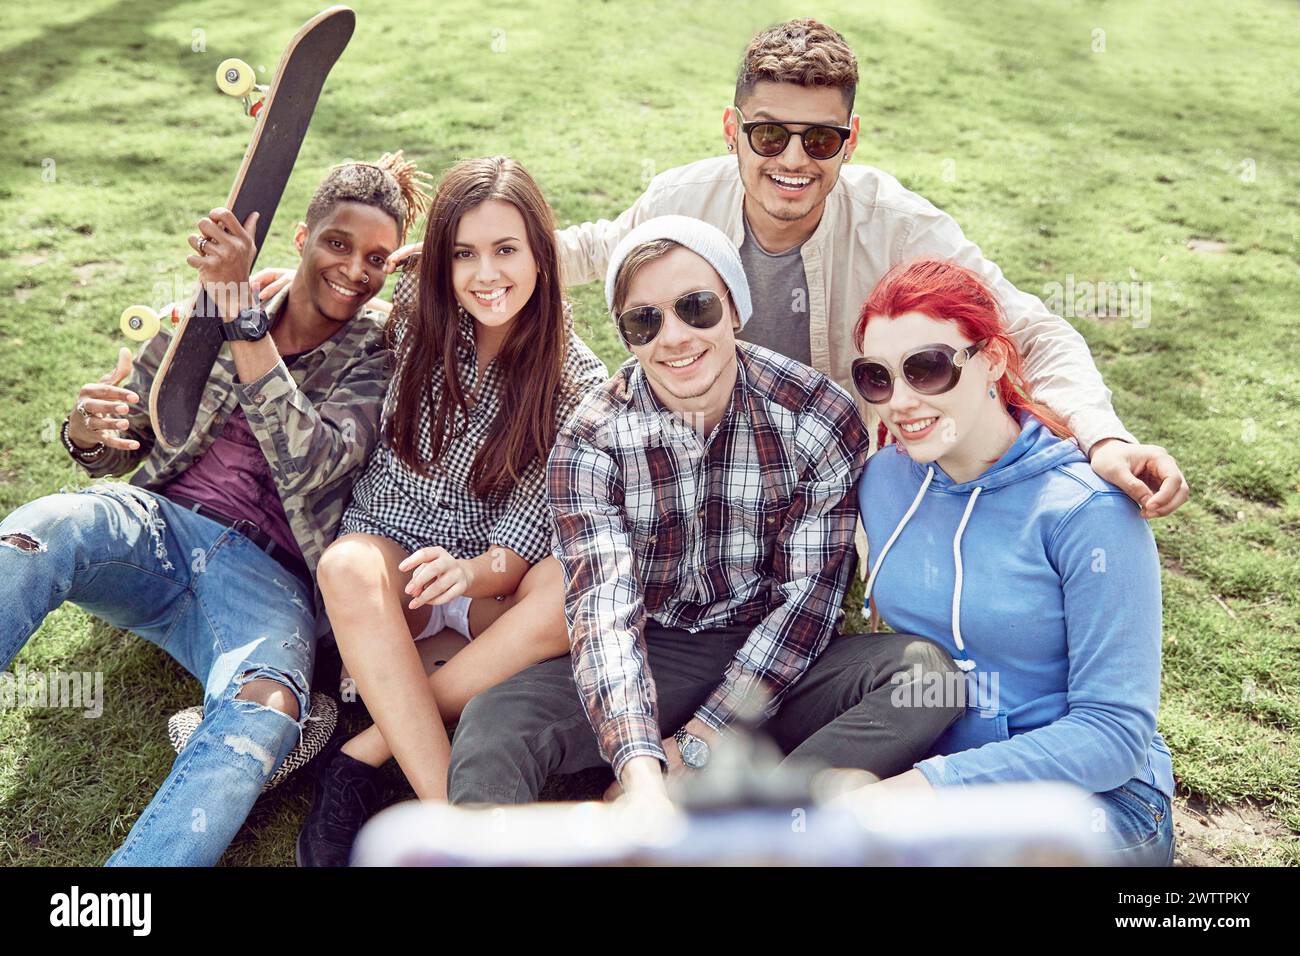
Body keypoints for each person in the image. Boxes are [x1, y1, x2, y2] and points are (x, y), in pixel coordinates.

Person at [552, 17, 1189, 520]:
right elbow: (588, 250)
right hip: (702, 466)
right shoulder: (679, 201)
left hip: (835, 479)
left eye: (821, 139)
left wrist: (1105, 438)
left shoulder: (899, 225)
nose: (793, 159)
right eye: (769, 135)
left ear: (850, 139)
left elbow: (1029, 331)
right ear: (732, 129)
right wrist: (467, 263)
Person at [445, 216, 964, 807]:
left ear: (736, 310)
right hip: (655, 647)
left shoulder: (818, 413)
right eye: (644, 321)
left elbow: (807, 603)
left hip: (782, 655)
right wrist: (641, 769)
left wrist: (698, 742)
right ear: (625, 336)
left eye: (696, 308)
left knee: (925, 677)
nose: (674, 337)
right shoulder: (591, 438)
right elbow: (604, 613)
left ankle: (749, 825)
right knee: (494, 721)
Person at [0, 153, 431, 865]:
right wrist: (85, 435)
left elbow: (317, 462)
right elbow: (130, 439)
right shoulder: (214, 306)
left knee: (265, 713)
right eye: (339, 244)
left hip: (271, 581)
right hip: (154, 534)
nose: (356, 269)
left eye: (377, 258)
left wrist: (245, 322)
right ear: (301, 237)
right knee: (37, 532)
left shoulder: (379, 350)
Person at [296, 156, 608, 865]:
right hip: (392, 571)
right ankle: (454, 817)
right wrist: (257, 295)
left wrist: (468, 574)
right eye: (464, 253)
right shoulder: (415, 316)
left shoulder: (579, 381)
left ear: (540, 255)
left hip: (484, 589)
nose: (485, 274)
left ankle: (367, 747)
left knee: (572, 587)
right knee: (345, 566)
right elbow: (331, 292)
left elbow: (523, 544)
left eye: (506, 250)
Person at [851, 258, 1175, 865]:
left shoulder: (1090, 512)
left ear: (993, 360)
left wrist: (929, 789)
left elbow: (1114, 734)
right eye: (878, 377)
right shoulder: (884, 481)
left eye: (927, 368)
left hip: (1092, 799)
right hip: (931, 765)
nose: (902, 401)